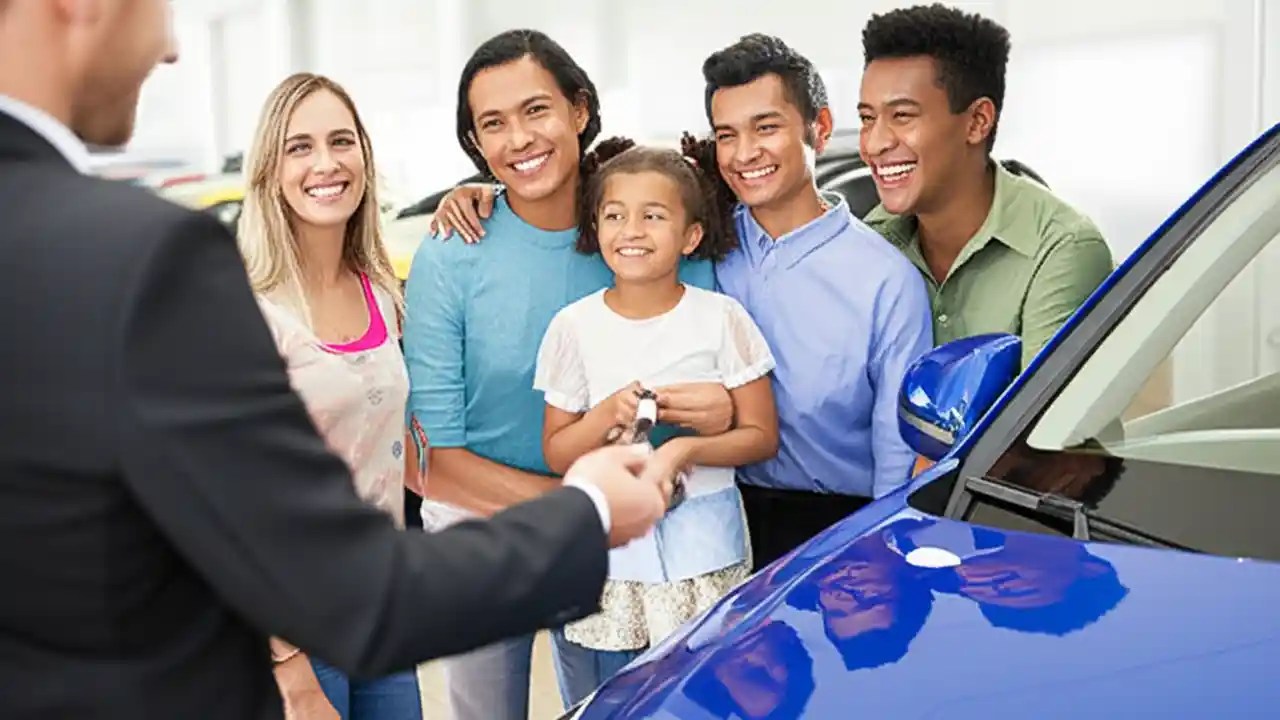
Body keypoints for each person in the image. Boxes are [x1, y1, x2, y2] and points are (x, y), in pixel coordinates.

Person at [0, 3, 673, 719]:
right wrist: (587, 509)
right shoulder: (154, 258)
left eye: (342, 142)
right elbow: (341, 576)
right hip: (303, 630)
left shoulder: (385, 290)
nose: (170, 47)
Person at [403, 30, 730, 719]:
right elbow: (429, 459)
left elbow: (714, 389)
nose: (518, 138)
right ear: (476, 143)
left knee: (620, 708)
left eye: (536, 110)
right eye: (492, 124)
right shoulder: (452, 251)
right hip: (488, 530)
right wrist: (581, 508)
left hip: (632, 531)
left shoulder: (647, 225)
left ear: (580, 109)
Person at [533, 139, 780, 703]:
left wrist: (680, 452)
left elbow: (762, 435)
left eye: (653, 216)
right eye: (615, 215)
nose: (632, 230)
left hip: (703, 558)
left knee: (702, 699)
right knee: (611, 701)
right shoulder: (574, 327)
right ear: (595, 229)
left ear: (691, 235)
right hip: (610, 565)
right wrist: (606, 413)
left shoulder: (720, 318)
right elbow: (556, 451)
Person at [694, 34, 934, 570]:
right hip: (709, 523)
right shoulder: (698, 251)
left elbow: (897, 453)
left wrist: (884, 556)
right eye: (726, 135)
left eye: (766, 127)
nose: (744, 153)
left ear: (819, 129)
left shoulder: (887, 281)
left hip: (836, 531)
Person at [236, 72, 423, 720]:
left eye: (341, 141)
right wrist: (289, 670)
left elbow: (396, 450)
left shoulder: (380, 289)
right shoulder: (245, 311)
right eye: (299, 147)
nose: (326, 163)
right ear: (270, 169)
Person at [858, 4, 1114, 369]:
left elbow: (1041, 422)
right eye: (867, 118)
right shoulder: (870, 241)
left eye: (902, 116)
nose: (874, 143)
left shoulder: (1062, 249)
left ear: (977, 121)